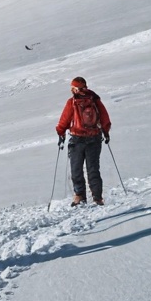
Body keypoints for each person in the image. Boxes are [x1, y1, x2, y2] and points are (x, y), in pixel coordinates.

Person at [57, 77, 112, 205]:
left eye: (73, 88)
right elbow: (104, 116)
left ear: (76, 88)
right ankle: (97, 198)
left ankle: (79, 196)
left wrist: (61, 132)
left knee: (76, 169)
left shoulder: (72, 102)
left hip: (77, 138)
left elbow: (64, 119)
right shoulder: (95, 99)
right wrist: (106, 131)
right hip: (95, 138)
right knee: (93, 169)